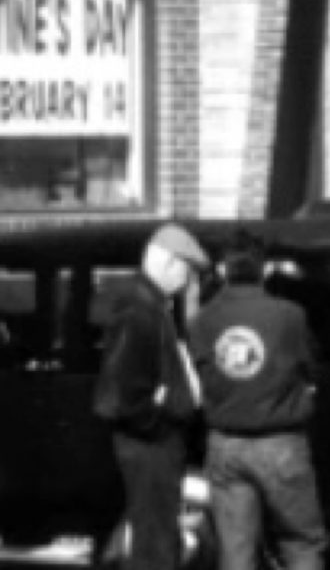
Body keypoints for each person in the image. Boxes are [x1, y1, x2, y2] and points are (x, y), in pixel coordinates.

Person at [190, 231, 326, 570]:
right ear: (264, 271)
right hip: (281, 443)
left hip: (224, 444)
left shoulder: (202, 320)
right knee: (300, 543)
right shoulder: (290, 315)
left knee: (235, 551)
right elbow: (311, 366)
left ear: (222, 271)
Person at [94, 223, 210, 570]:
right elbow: (117, 395)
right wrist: (161, 422)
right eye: (186, 271)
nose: (186, 281)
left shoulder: (148, 304)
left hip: (153, 442)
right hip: (150, 445)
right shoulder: (139, 310)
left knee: (157, 539)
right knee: (155, 546)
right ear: (170, 263)